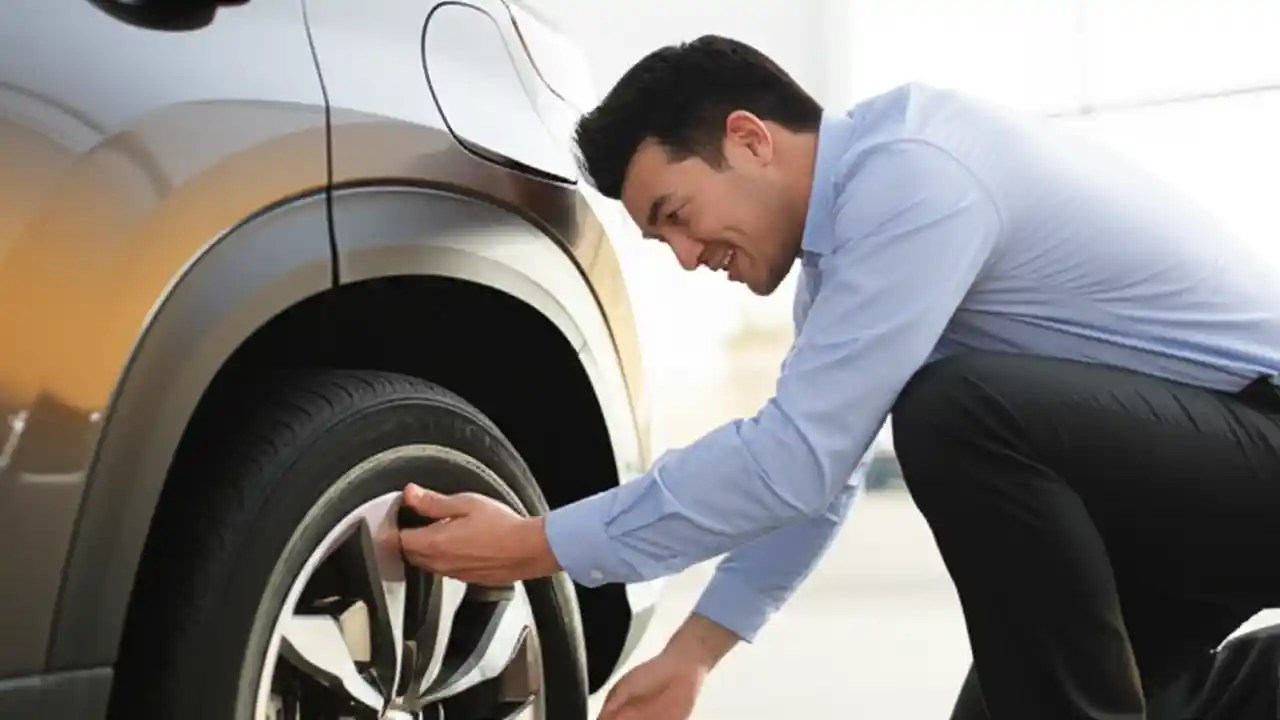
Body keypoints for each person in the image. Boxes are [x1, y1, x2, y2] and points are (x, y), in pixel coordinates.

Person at [397, 34, 1280, 720]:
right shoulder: (849, 259)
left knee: (959, 415)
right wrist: (698, 651)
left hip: (1259, 440)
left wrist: (539, 543)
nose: (686, 256)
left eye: (677, 215)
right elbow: (822, 478)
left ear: (748, 140)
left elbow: (795, 459)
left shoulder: (913, 174)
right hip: (1191, 482)